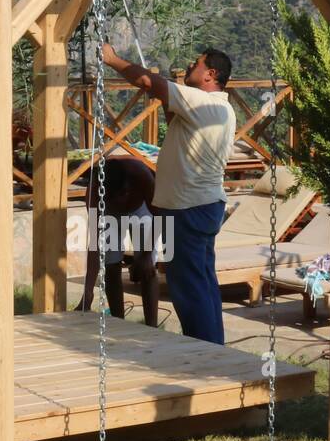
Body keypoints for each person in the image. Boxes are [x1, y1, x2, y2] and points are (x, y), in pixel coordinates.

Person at [100, 42, 235, 343]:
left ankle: (203, 355)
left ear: (210, 74)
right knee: (202, 283)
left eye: (196, 64)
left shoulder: (200, 101)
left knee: (188, 289)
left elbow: (146, 80)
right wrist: (164, 97)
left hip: (187, 209)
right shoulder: (221, 108)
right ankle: (216, 351)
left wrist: (111, 60)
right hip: (204, 205)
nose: (189, 66)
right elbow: (175, 120)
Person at [75, 155, 159, 326]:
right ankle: (118, 322)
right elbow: (95, 244)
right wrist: (88, 291)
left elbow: (160, 218)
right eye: (111, 200)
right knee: (111, 264)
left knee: (148, 269)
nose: (119, 204)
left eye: (120, 197)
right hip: (109, 211)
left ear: (127, 189)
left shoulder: (143, 177)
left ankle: (152, 326)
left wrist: (146, 255)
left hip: (142, 207)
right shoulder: (94, 194)